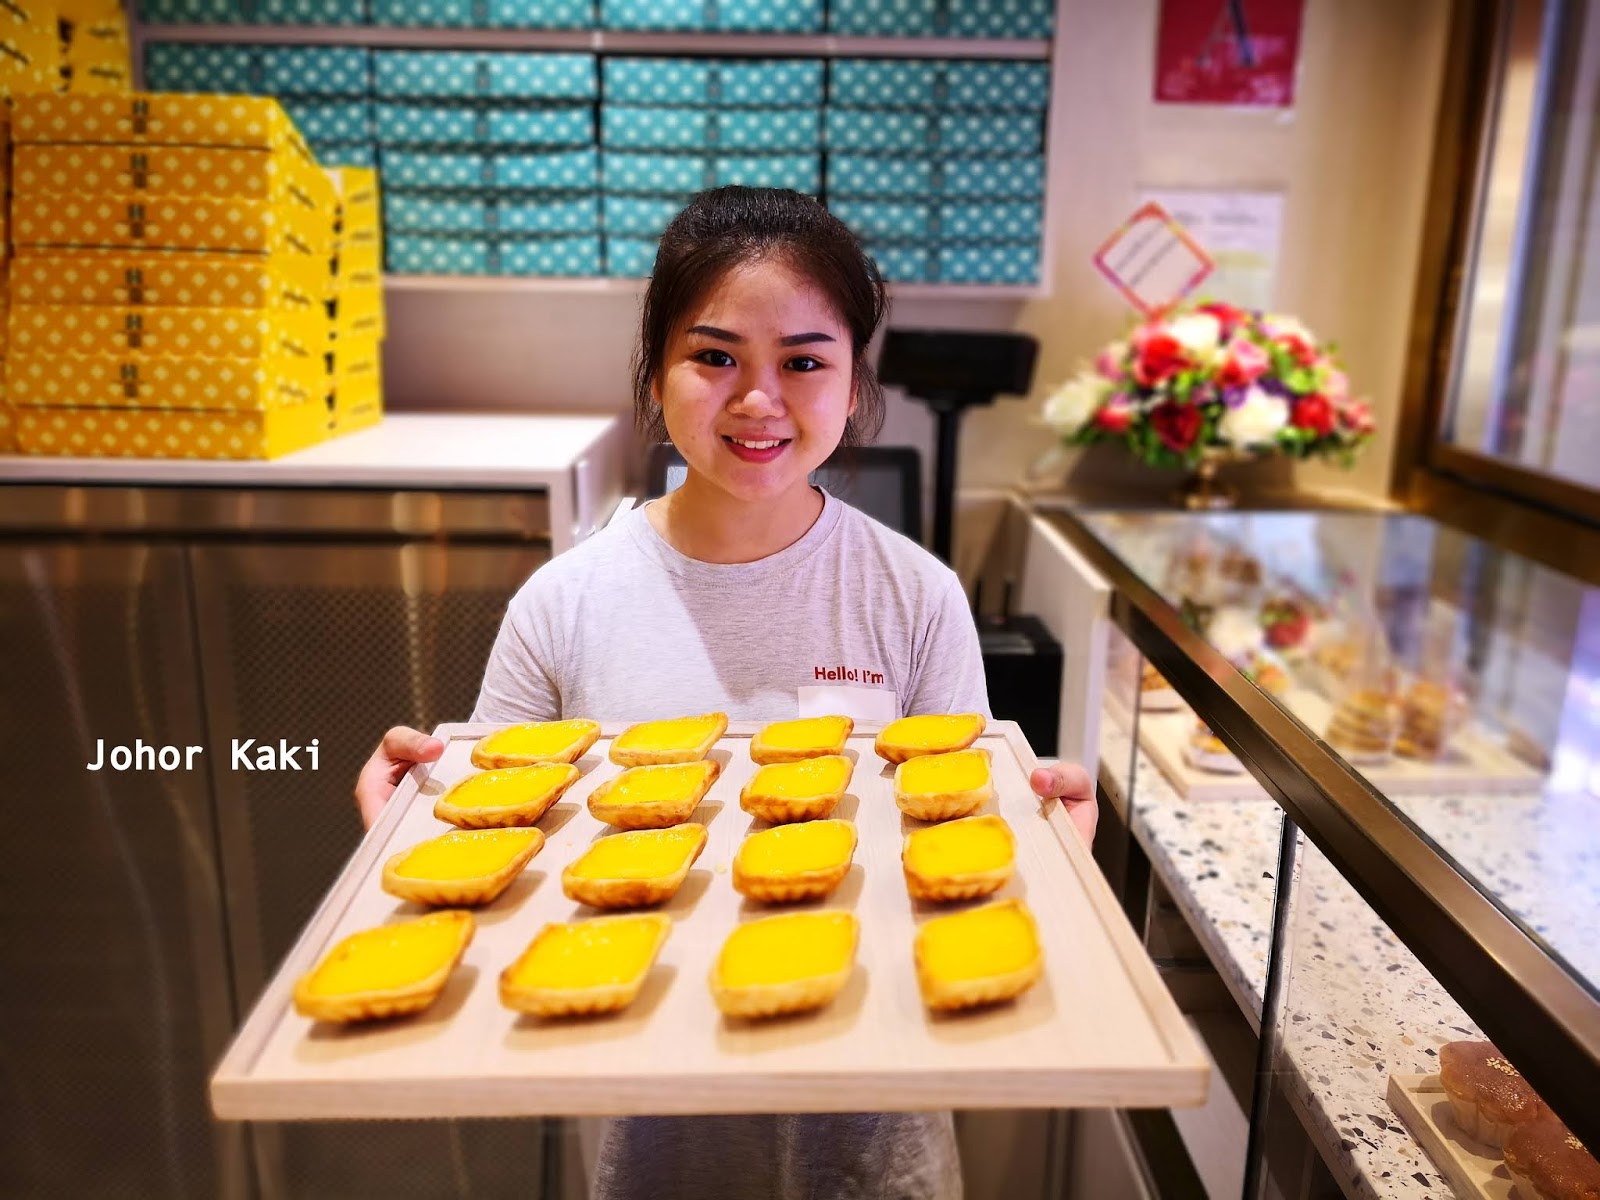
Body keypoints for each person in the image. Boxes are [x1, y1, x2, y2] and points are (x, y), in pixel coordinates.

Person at [355, 186, 1097, 1200]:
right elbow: (490, 854)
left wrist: (1054, 852)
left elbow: (957, 850)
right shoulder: (563, 602)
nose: (758, 400)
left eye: (803, 361)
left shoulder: (914, 594)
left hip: (875, 1139)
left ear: (852, 381)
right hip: (651, 1139)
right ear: (656, 372)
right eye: (714, 358)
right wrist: (402, 823)